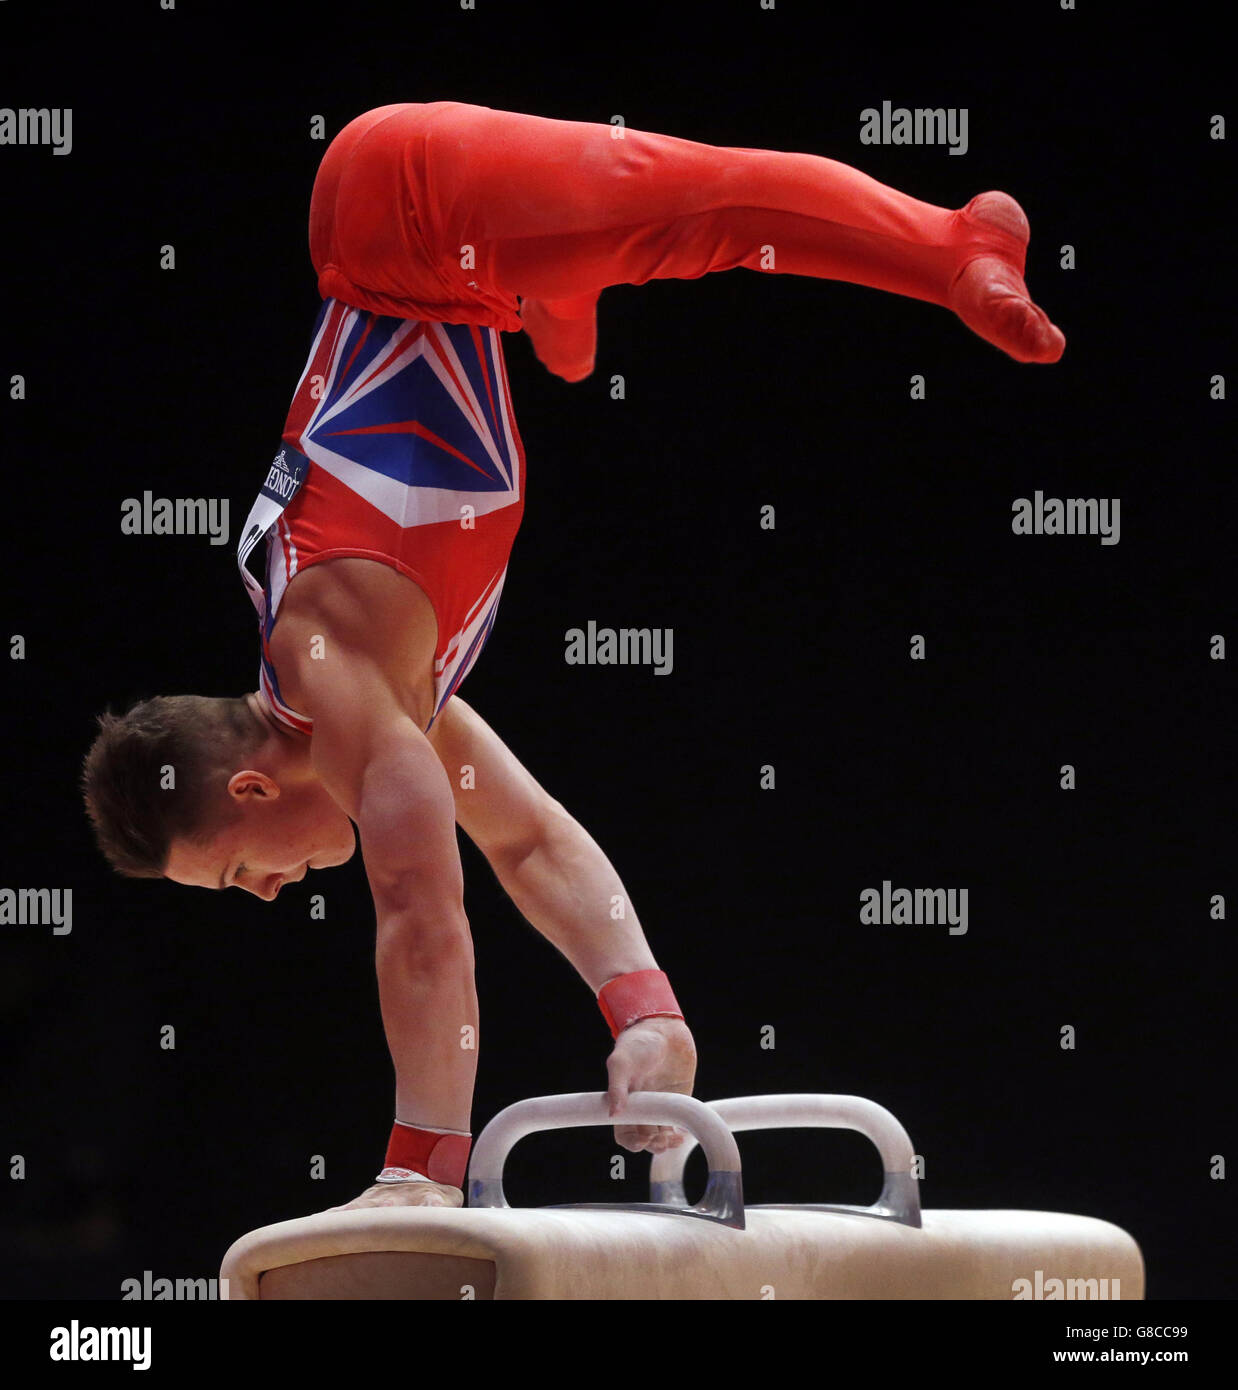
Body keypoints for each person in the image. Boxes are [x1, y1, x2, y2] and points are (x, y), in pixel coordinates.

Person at [82, 101, 1065, 1211]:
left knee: (697, 211)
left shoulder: (330, 668)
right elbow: (528, 839)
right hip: (444, 276)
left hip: (401, 208)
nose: (266, 892)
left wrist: (419, 1170)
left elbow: (419, 908)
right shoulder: (386, 698)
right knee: (654, 232)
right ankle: (549, 295)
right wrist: (644, 1007)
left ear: (248, 786)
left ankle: (955, 245)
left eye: (232, 870)